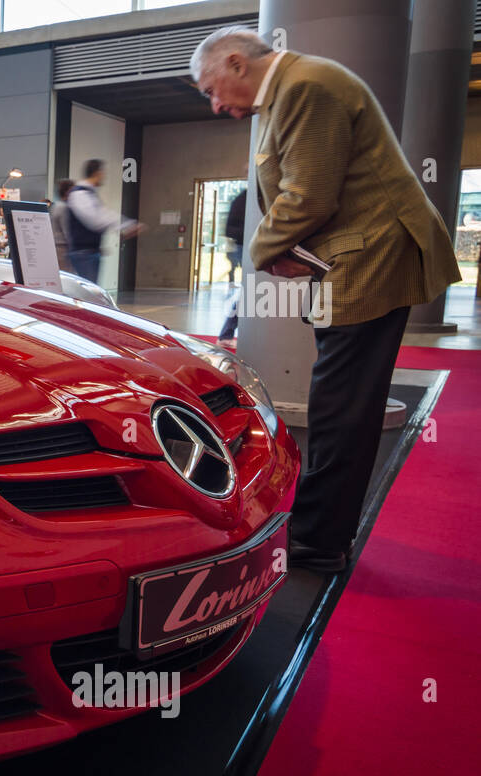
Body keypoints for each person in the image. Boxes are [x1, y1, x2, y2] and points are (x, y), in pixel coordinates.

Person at [191, 26, 459, 573]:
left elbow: (309, 194)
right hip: (355, 256)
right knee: (342, 401)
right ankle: (321, 532)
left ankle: (319, 542)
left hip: (371, 258)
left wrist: (260, 254)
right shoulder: (293, 88)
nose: (216, 104)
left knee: (342, 406)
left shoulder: (307, 85)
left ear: (237, 63)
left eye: (209, 89)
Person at [65, 159, 144, 283]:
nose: (104, 176)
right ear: (97, 173)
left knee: (91, 292)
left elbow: (100, 216)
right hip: (83, 253)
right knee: (89, 295)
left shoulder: (88, 193)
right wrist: (125, 225)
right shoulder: (80, 193)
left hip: (88, 252)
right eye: (103, 172)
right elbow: (95, 219)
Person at [218, 189, 247, 347]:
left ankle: (226, 334)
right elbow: (231, 228)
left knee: (247, 293)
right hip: (246, 248)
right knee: (248, 292)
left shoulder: (245, 198)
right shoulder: (244, 199)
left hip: (246, 247)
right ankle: (225, 334)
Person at [50, 179, 74, 270]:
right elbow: (67, 230)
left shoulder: (56, 206)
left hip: (57, 247)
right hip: (62, 249)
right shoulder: (64, 207)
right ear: (68, 191)